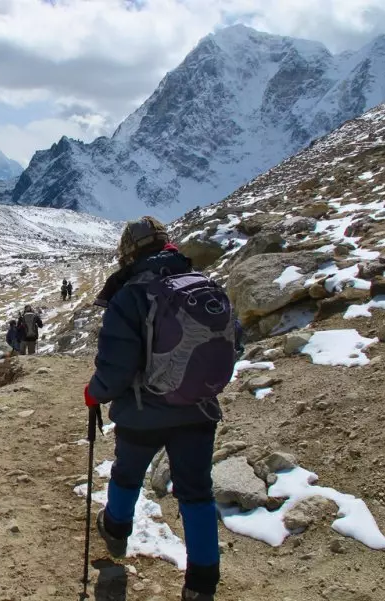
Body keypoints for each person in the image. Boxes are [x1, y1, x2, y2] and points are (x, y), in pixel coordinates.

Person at [84, 216, 240, 601]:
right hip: (198, 410)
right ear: (167, 244)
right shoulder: (203, 285)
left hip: (142, 412)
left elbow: (116, 367)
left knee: (126, 476)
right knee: (196, 495)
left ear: (129, 252)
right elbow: (234, 343)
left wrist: (95, 393)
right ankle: (201, 586)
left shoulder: (129, 295)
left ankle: (116, 535)